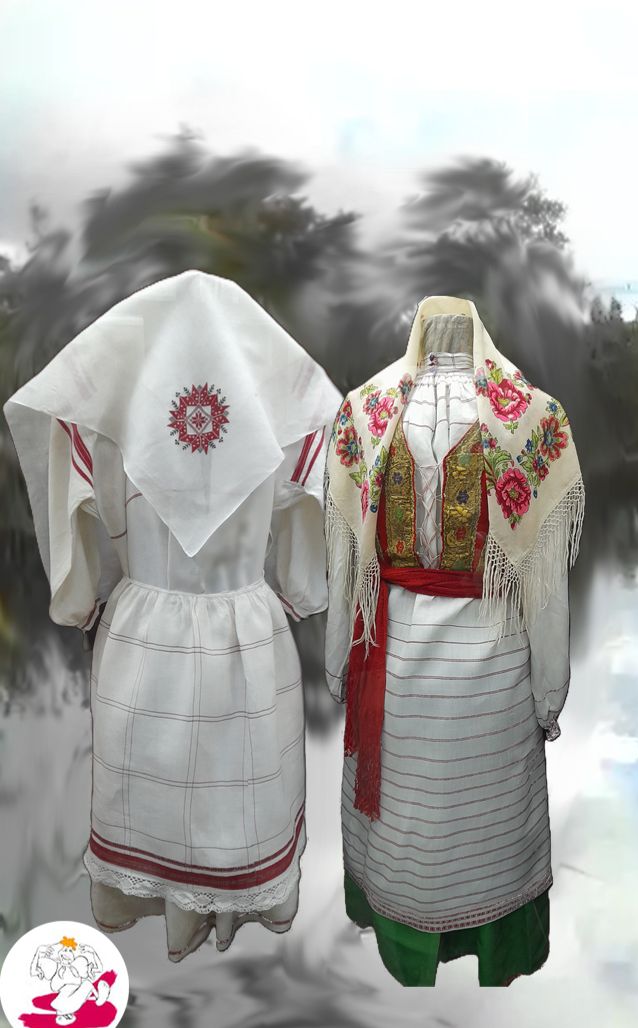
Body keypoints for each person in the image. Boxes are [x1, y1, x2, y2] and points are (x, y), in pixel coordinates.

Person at [4, 270, 339, 961]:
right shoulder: (282, 400)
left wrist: (89, 594)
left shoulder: (103, 406)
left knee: (151, 784)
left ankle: (162, 904)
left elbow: (75, 517)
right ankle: (228, 907)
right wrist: (299, 588)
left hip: (141, 631)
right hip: (248, 627)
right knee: (242, 787)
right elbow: (310, 510)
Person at [324, 296, 583, 986]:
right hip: (495, 659)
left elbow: (344, 563)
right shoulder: (535, 418)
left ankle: (408, 947)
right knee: (487, 822)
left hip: (394, 659)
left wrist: (335, 662)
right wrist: (550, 690)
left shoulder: (364, 411)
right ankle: (497, 948)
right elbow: (546, 584)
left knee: (408, 824)